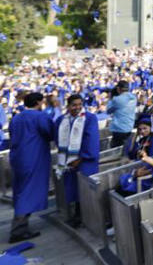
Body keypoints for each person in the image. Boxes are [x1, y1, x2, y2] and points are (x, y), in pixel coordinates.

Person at [9, 92, 54, 242]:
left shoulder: (16, 118)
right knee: (27, 192)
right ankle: (18, 230)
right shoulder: (40, 117)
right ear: (38, 103)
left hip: (18, 158)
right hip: (33, 158)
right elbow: (50, 132)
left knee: (21, 190)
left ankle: (21, 226)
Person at [55, 94, 100, 227]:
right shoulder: (61, 120)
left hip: (85, 160)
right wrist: (68, 157)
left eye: (80, 104)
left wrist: (80, 158)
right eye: (74, 105)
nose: (77, 107)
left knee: (84, 189)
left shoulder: (90, 118)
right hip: (69, 161)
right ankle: (77, 215)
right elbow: (58, 139)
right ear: (68, 106)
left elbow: (91, 139)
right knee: (73, 189)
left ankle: (85, 217)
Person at [107, 80, 136, 147]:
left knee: (115, 148)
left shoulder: (116, 99)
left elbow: (108, 111)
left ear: (118, 88)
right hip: (129, 127)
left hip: (119, 129)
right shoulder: (134, 97)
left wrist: (111, 98)